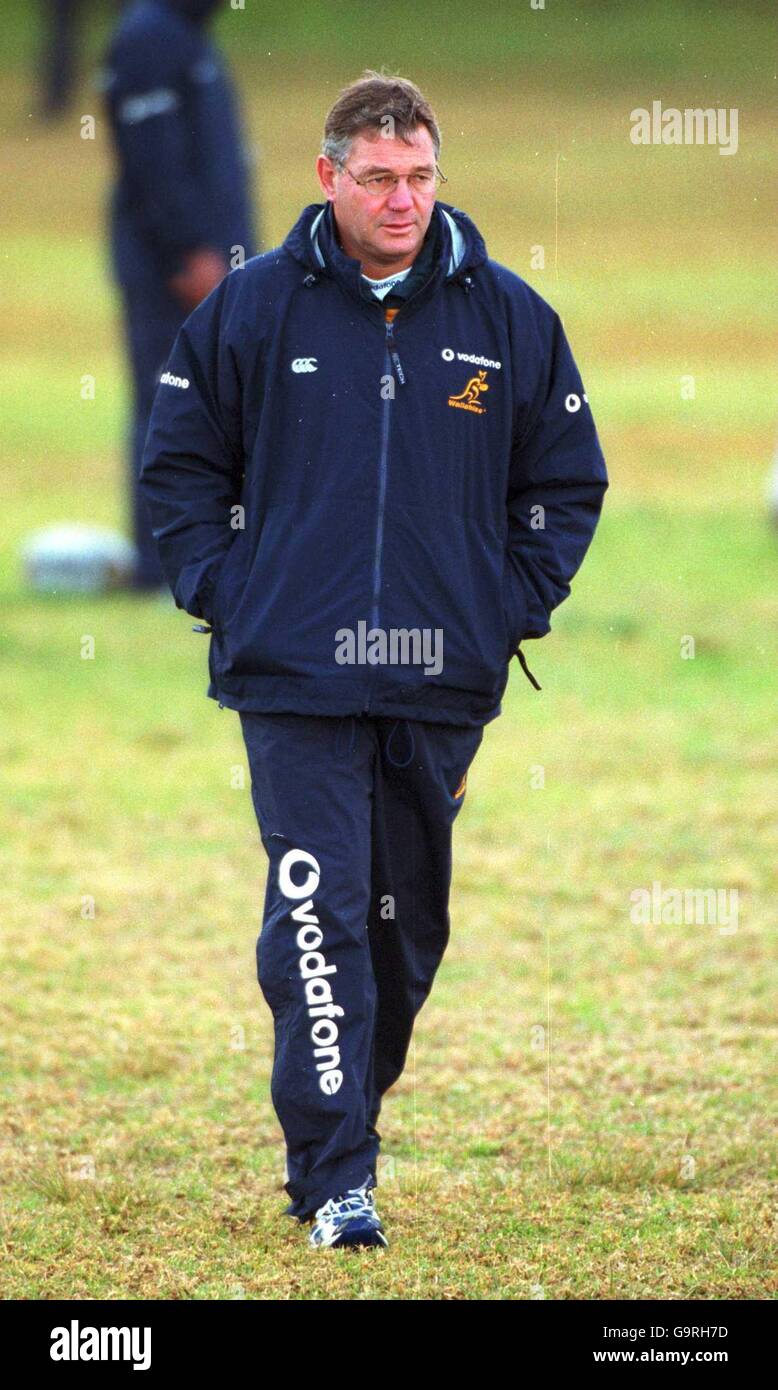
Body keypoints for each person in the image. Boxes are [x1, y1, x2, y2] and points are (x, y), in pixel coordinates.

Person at [139, 70, 608, 1249]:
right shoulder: (249, 311)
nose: (402, 200)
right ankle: (334, 1174)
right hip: (291, 675)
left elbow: (563, 483)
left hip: (439, 681)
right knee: (319, 910)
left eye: (420, 178)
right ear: (329, 178)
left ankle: (348, 1103)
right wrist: (227, 595)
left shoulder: (510, 321)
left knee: (402, 934)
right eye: (379, 179)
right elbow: (182, 470)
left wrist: (502, 608)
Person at [101, 0, 256, 589]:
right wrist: (187, 251)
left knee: (219, 409)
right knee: (171, 407)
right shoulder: (149, 38)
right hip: (179, 270)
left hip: (218, 264)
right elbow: (151, 162)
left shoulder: (186, 34)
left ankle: (216, 553)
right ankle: (163, 565)